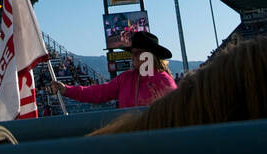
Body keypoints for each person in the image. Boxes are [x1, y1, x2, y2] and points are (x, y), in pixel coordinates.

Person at [50, 31, 178, 108]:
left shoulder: (163, 81)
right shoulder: (126, 79)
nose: (133, 57)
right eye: (132, 53)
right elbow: (99, 92)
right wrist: (67, 90)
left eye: (138, 53)